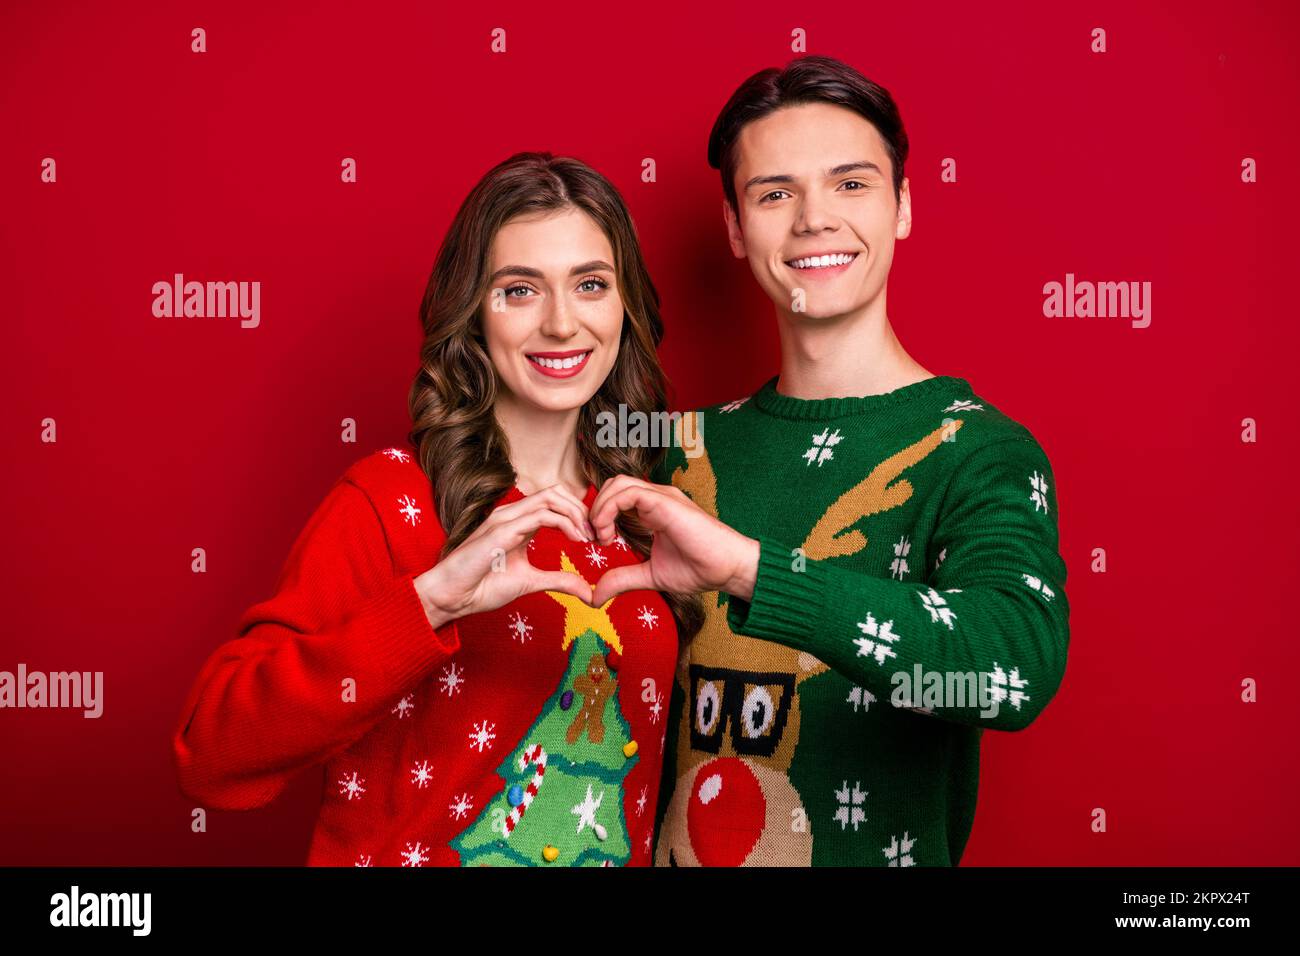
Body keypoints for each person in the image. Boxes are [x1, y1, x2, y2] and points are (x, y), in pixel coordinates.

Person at [586, 55, 1071, 866]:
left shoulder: (976, 447)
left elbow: (1011, 669)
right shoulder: (676, 452)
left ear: (902, 206)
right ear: (738, 229)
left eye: (851, 184)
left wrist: (748, 570)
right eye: (775, 193)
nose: (814, 219)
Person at [171, 152, 701, 867]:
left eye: (591, 284)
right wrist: (429, 606)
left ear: (625, 303)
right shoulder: (390, 499)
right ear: (472, 312)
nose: (561, 322)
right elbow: (210, 754)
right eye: (518, 290)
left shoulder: (648, 516)